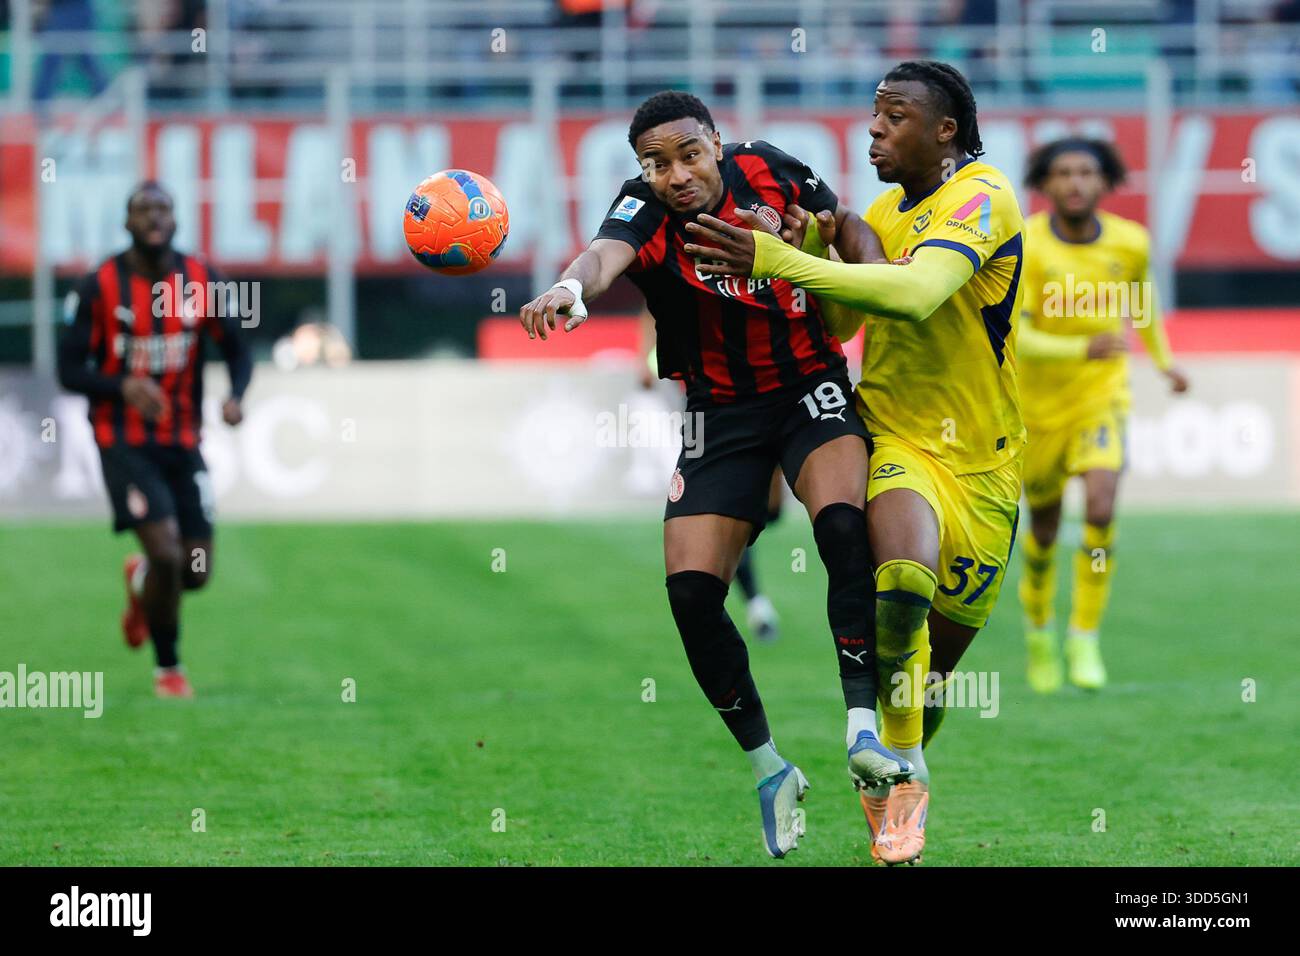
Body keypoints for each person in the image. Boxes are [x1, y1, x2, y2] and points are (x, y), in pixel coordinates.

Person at [519, 90, 913, 859]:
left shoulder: (770, 169)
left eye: (686, 154)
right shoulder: (643, 207)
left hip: (809, 387)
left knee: (841, 523)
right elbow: (603, 255)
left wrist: (870, 267)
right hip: (718, 412)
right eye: (654, 163)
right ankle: (771, 770)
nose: (673, 174)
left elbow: (841, 219)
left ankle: (862, 727)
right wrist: (570, 289)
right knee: (692, 593)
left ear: (718, 144)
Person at [683, 61, 1025, 865]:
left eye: (893, 116)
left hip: (985, 463)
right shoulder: (874, 212)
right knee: (899, 581)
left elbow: (913, 295)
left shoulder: (985, 197)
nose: (873, 129)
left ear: (945, 131)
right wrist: (806, 246)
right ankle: (895, 787)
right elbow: (841, 323)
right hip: (896, 435)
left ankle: (907, 742)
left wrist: (778, 262)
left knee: (928, 677)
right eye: (874, 115)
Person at [57, 181, 252, 699]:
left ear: (175, 220)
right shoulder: (97, 285)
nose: (154, 217)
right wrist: (122, 384)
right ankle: (169, 669)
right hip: (122, 440)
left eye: (163, 208)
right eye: (143, 209)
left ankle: (142, 578)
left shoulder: (201, 279)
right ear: (127, 223)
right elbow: (69, 369)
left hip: (184, 439)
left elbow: (237, 348)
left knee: (194, 572)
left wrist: (236, 395)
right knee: (169, 556)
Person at [1016, 138, 1189, 693]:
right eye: (1062, 173)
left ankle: (1084, 637)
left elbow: (1143, 304)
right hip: (1036, 407)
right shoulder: (1027, 245)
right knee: (1041, 530)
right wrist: (1078, 349)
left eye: (1086, 172)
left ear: (1104, 181)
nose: (1074, 182)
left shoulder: (1130, 243)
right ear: (1044, 184)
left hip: (1100, 397)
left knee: (1101, 503)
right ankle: (1039, 633)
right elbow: (1015, 333)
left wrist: (1165, 364)